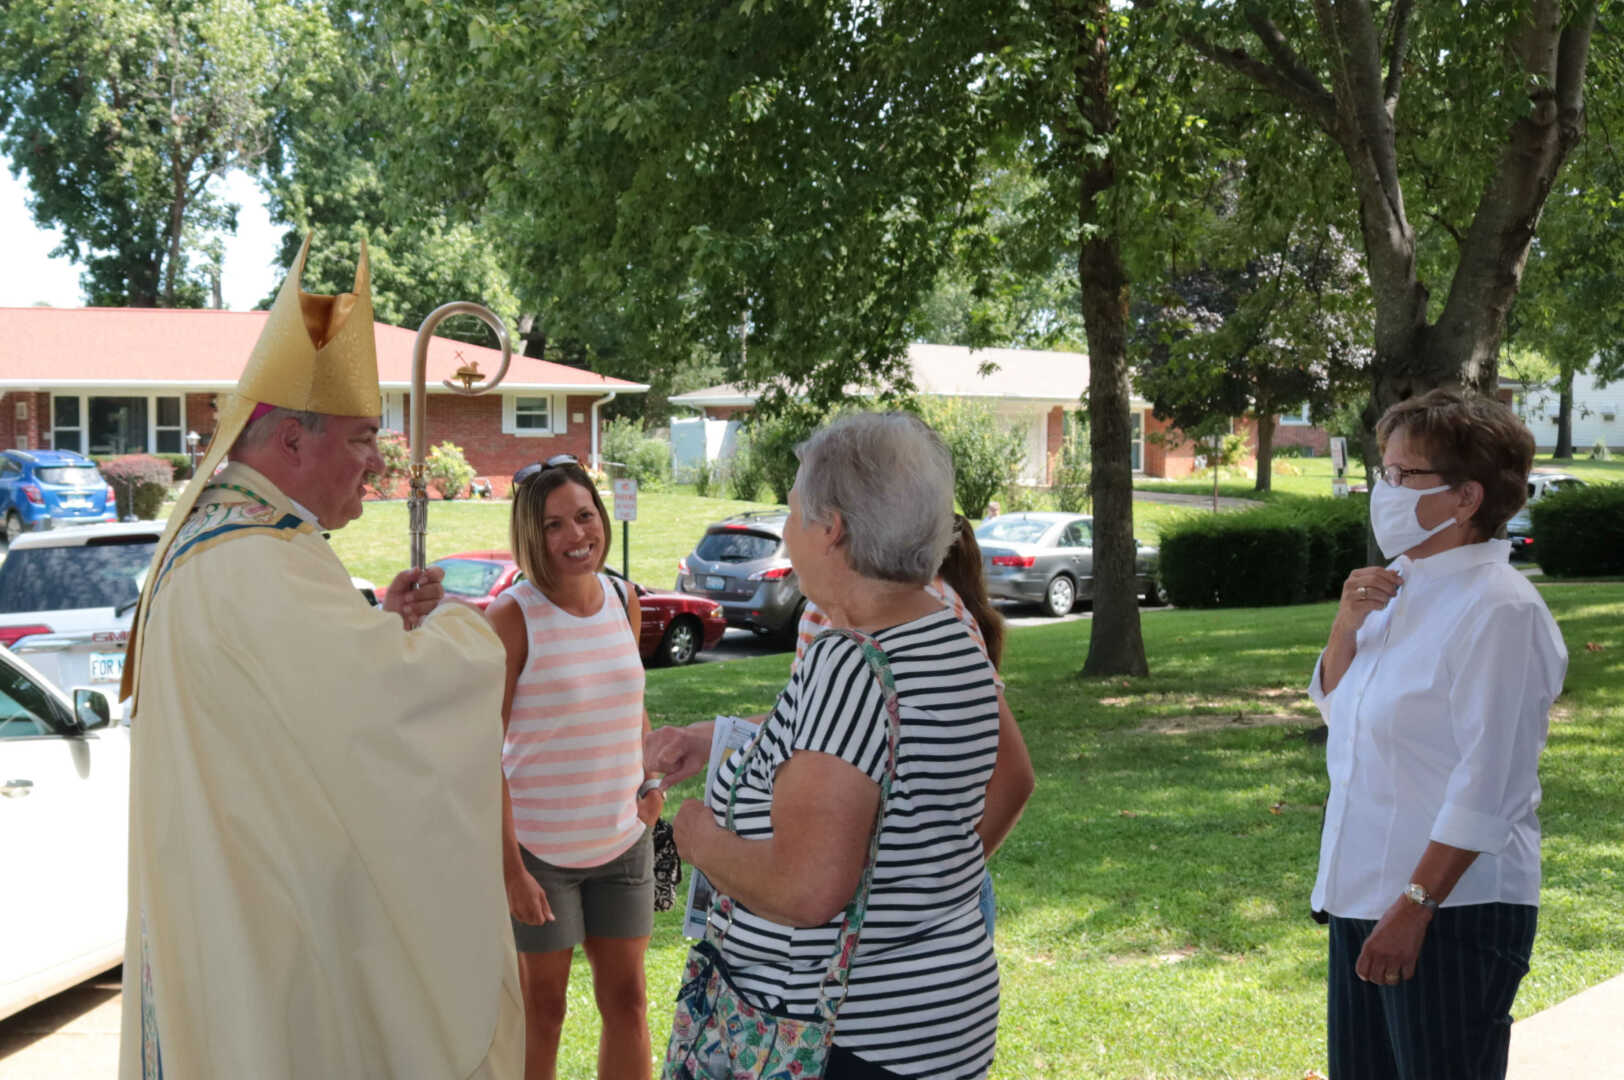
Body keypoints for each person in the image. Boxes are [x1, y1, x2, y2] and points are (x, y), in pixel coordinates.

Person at [118, 237, 522, 1078]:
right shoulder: (251, 559)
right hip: (266, 933)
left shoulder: (232, 542)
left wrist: (381, 621)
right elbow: (384, 709)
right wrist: (476, 639)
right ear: (292, 442)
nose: (378, 461)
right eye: (363, 437)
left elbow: (310, 690)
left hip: (238, 901)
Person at [647, 412, 1001, 1079]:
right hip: (939, 1024)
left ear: (830, 528)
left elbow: (807, 889)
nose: (787, 532)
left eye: (791, 513)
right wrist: (716, 739)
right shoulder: (950, 634)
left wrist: (697, 838)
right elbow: (861, 751)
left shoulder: (850, 660)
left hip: (842, 1039)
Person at [1308, 387, 1567, 1080]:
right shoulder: (1396, 585)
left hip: (1451, 912)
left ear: (1466, 497)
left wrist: (1416, 905)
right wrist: (1344, 628)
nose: (1383, 489)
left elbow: (1492, 782)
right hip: (1363, 896)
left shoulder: (1501, 611)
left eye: (1403, 475)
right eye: (1383, 471)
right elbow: (1344, 717)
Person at [486, 454, 665, 1080]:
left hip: (622, 842)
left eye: (584, 517)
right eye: (554, 525)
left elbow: (631, 700)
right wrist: (510, 870)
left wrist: (651, 780)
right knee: (544, 1009)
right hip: (540, 855)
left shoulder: (623, 597)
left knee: (630, 1002)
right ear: (531, 537)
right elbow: (483, 754)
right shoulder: (511, 616)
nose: (576, 536)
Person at [793, 513, 1034, 937]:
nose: (791, 530)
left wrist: (946, 880)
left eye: (800, 512)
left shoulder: (930, 609)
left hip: (915, 910)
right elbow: (805, 724)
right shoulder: (825, 606)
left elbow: (1014, 776)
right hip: (854, 896)